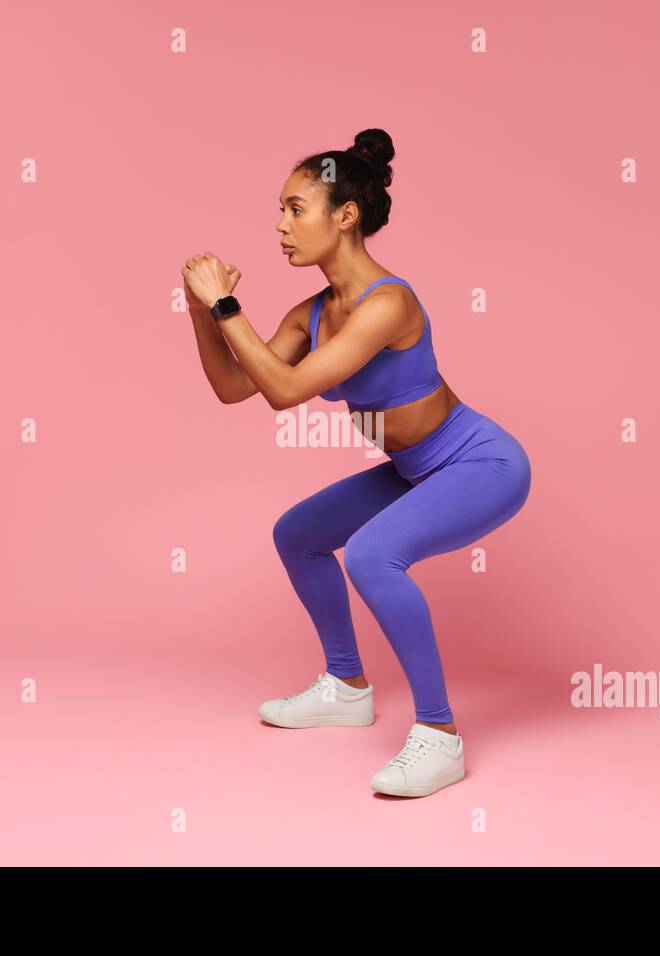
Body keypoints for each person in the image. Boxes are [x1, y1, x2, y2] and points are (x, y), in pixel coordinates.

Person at [182, 128, 531, 798]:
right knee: (298, 534)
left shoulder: (389, 302)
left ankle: (440, 735)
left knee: (372, 554)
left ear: (344, 216)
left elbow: (285, 393)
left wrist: (229, 306)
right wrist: (204, 312)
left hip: (480, 462)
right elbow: (236, 387)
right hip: (412, 470)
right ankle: (345, 688)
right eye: (280, 210)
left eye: (294, 208)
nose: (280, 225)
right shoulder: (312, 312)